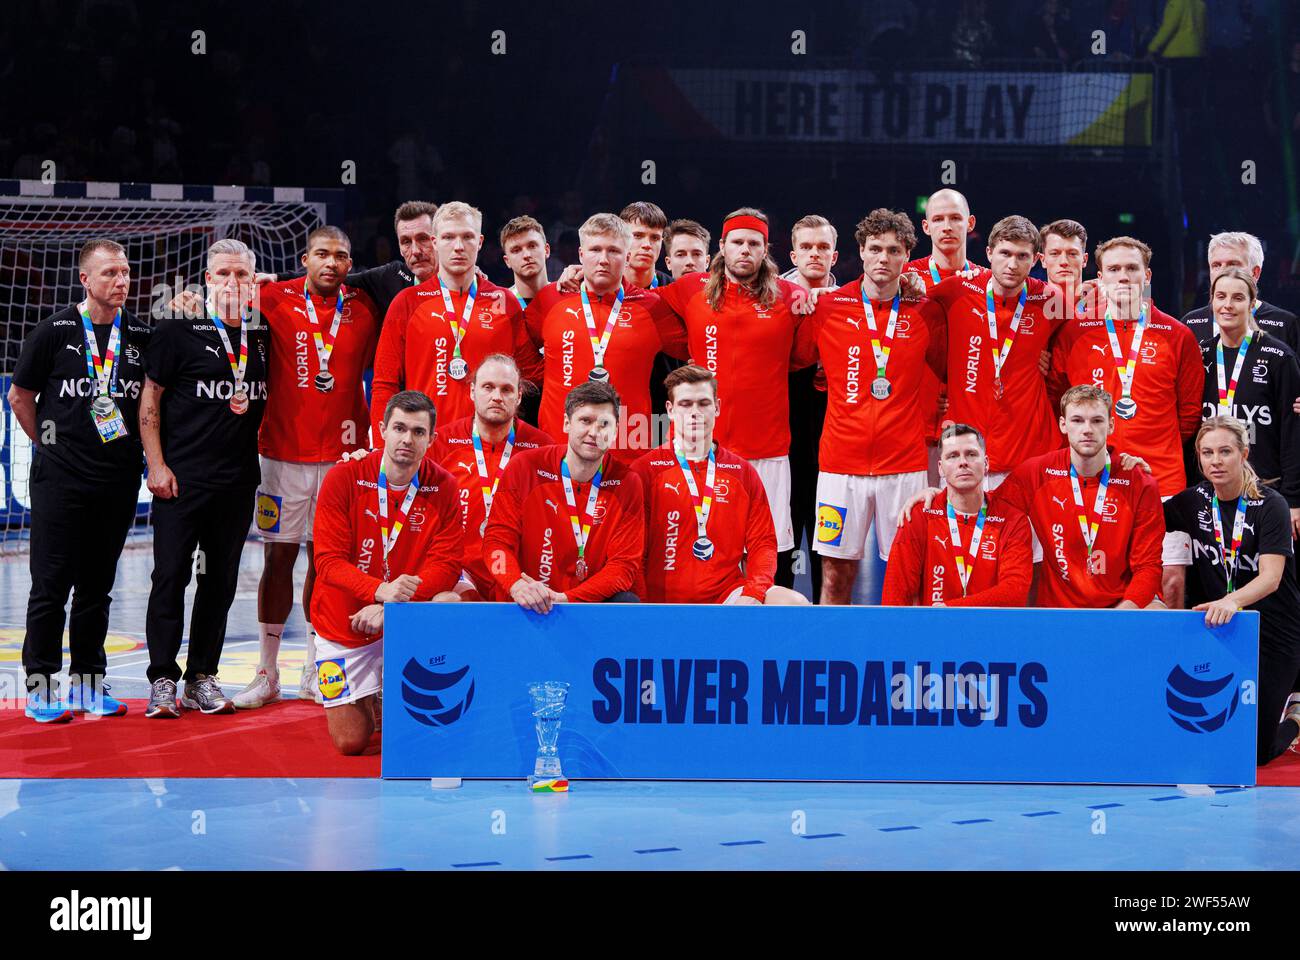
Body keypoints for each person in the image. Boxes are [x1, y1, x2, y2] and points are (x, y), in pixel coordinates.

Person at [233, 226, 381, 709]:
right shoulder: (272, 297)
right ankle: (266, 669)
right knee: (278, 560)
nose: (332, 263)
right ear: (305, 257)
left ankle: (317, 666)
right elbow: (225, 297)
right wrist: (193, 297)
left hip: (344, 459)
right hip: (281, 455)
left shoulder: (364, 306)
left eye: (341, 256)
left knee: (328, 563)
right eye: (322, 254)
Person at [9, 239, 149, 722]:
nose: (122, 281)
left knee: (97, 587)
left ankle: (89, 684)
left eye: (126, 272)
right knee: (51, 586)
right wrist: (48, 445)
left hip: (117, 480)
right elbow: (19, 396)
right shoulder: (54, 331)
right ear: (85, 280)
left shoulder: (140, 335)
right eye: (110, 273)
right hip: (61, 480)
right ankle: (40, 687)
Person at [140, 239, 270, 718]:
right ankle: (161, 680)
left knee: (220, 582)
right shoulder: (178, 327)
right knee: (170, 576)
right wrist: (155, 464)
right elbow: (150, 398)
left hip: (236, 481)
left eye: (242, 275)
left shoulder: (261, 332)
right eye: (223, 275)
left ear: (253, 281)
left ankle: (202, 677)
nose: (233, 283)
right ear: (207, 279)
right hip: (181, 480)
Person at [654, 207, 814, 580]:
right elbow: (643, 303)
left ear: (765, 249)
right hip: (701, 449)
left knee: (769, 552)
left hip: (768, 450)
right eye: (737, 242)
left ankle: (766, 631)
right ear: (722, 247)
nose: (745, 250)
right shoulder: (689, 289)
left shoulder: (791, 297)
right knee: (699, 549)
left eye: (753, 243)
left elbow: (802, 357)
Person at [799, 208, 947, 605]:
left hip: (905, 466)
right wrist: (801, 291)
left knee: (908, 576)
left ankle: (906, 661)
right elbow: (792, 360)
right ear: (860, 252)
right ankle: (834, 659)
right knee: (835, 575)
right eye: (876, 248)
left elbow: (954, 369)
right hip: (838, 465)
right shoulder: (827, 306)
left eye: (894, 250)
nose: (884, 257)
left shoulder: (925, 311)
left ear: (907, 256)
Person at [1047, 235, 1203, 600]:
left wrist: (1152, 446)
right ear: (1099, 278)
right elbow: (1057, 396)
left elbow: (1189, 414)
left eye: (1131, 269)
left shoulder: (1177, 335)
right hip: (1095, 479)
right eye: (1113, 269)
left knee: (1172, 581)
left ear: (1147, 275)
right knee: (1102, 579)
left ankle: (1169, 659)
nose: (1123, 277)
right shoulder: (1075, 333)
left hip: (1162, 479)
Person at [310, 390, 464, 755]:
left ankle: (386, 689)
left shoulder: (444, 486)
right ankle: (368, 695)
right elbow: (327, 563)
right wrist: (382, 590)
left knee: (449, 600)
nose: (407, 439)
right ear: (381, 430)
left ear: (431, 438)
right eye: (399, 428)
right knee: (351, 742)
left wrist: (392, 606)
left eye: (417, 431)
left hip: (402, 619)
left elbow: (446, 566)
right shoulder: (343, 477)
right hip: (343, 624)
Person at [1163, 416, 1300, 765]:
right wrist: (1122, 467)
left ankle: (1297, 717)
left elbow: (1270, 577)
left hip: (1274, 632)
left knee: (1255, 752)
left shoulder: (1271, 505)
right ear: (1198, 457)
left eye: (1225, 451)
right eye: (1207, 453)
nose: (1216, 461)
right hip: (1221, 630)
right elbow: (1143, 513)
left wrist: (1231, 600)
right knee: (1215, 736)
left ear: (1244, 453)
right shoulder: (1192, 502)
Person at [631, 364, 808, 605]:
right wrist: (642, 604)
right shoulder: (645, 471)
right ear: (670, 411)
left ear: (717, 408)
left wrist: (753, 592)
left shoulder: (742, 472)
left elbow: (763, 543)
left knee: (793, 603)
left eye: (703, 403)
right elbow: (632, 552)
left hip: (725, 595)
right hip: (660, 599)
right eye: (685, 404)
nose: (695, 412)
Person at [371, 201, 543, 439]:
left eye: (468, 237)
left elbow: (534, 376)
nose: (458, 247)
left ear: (480, 242)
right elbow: (384, 383)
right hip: (426, 446)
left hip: (490, 446)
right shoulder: (407, 303)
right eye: (449, 237)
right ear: (434, 242)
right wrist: (383, 451)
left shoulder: (504, 301)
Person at [525, 213, 686, 465]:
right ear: (580, 255)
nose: (603, 259)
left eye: (613, 251)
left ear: (627, 256)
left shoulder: (652, 307)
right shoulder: (549, 300)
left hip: (628, 449)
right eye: (595, 250)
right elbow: (522, 352)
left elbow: (698, 346)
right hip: (558, 446)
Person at [482, 381, 645, 611]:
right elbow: (496, 543)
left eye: (604, 424)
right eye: (585, 421)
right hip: (525, 604)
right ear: (567, 423)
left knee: (627, 602)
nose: (594, 432)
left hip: (584, 609)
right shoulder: (525, 467)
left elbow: (623, 567)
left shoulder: (628, 482)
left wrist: (567, 599)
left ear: (616, 431)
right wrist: (516, 584)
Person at [927, 215, 1064, 486]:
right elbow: (898, 300)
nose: (1012, 265)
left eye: (1022, 256)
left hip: (1028, 458)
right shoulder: (956, 290)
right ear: (989, 253)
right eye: (1005, 253)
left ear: (1035, 259)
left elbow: (1097, 323)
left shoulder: (1051, 301)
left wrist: (1099, 288)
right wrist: (823, 291)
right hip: (966, 457)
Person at [1190, 268, 1300, 556]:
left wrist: (1293, 499)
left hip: (1267, 490)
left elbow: (1292, 432)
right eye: (1221, 296)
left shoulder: (1280, 357)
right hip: (1212, 491)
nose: (1228, 305)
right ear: (1211, 302)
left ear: (1252, 304)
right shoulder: (1198, 355)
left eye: (1238, 297)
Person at [432, 354, 553, 600]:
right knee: (449, 601)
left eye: (506, 389)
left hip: (520, 569)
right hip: (461, 569)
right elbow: (396, 474)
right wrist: (360, 459)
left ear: (519, 396)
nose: (497, 396)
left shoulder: (543, 449)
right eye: (488, 387)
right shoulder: (442, 443)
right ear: (472, 391)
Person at [883, 423, 1032, 606]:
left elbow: (1014, 592)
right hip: (934, 631)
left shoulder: (1012, 520)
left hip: (991, 631)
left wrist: (951, 611)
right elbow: (895, 595)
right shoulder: (919, 517)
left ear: (986, 463)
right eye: (952, 456)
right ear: (940, 468)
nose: (963, 462)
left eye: (971, 454)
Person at [781, 214, 841, 604]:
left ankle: (828, 632)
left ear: (835, 257)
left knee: (827, 544)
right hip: (779, 440)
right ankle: (773, 632)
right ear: (793, 253)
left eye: (822, 247)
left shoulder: (853, 301)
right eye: (807, 247)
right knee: (782, 540)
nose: (814, 254)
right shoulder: (769, 298)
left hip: (834, 440)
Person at [904, 189, 980, 487]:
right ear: (926, 227)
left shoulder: (987, 283)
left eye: (955, 218)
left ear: (970, 223)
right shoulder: (904, 278)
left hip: (966, 427)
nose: (946, 226)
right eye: (938, 219)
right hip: (913, 426)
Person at [257, 202, 441, 319]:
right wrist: (277, 276)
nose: (415, 251)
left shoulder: (467, 279)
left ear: (439, 239)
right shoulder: (391, 277)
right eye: (406, 242)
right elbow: (338, 277)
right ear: (400, 248)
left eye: (423, 239)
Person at [1180, 232, 1298, 353]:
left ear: (1255, 273)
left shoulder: (1285, 324)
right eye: (1216, 265)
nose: (1223, 272)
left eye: (1233, 264)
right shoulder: (1190, 323)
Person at [499, 215, 550, 309]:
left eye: (532, 246)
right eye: (516, 250)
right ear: (507, 261)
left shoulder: (565, 298)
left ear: (546, 250)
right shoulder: (500, 306)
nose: (526, 255)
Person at [621, 201, 671, 290]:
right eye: (637, 236)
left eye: (655, 238)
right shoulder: (600, 288)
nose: (647, 245)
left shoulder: (674, 291)